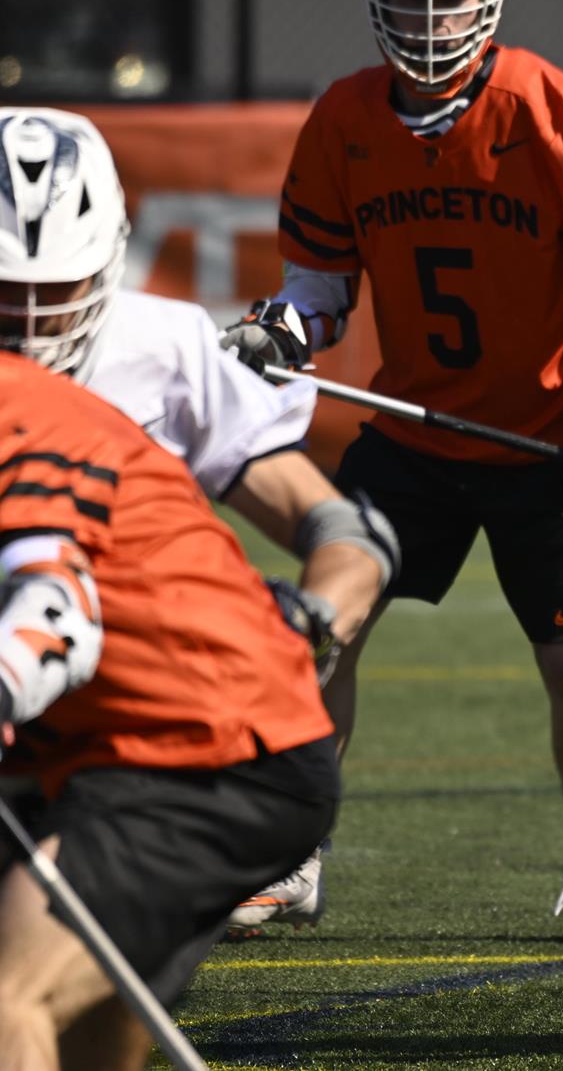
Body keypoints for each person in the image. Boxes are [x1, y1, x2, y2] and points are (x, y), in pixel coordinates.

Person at [221, 0, 563, 944]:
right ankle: (294, 856)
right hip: (413, 434)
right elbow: (319, 285)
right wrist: (282, 330)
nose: (429, 20)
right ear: (374, 2)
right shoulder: (343, 119)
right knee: (323, 627)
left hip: (538, 435)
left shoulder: (542, 102)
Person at [0, 107, 398, 938]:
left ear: (108, 257)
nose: (33, 325)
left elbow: (347, 535)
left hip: (140, 733)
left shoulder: (163, 346)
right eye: (7, 296)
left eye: (56, 292)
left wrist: (306, 621)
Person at [0, 349, 340, 1071]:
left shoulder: (19, 410)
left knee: (7, 993)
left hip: (203, 742)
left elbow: (52, 610)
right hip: (85, 738)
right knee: (79, 1007)